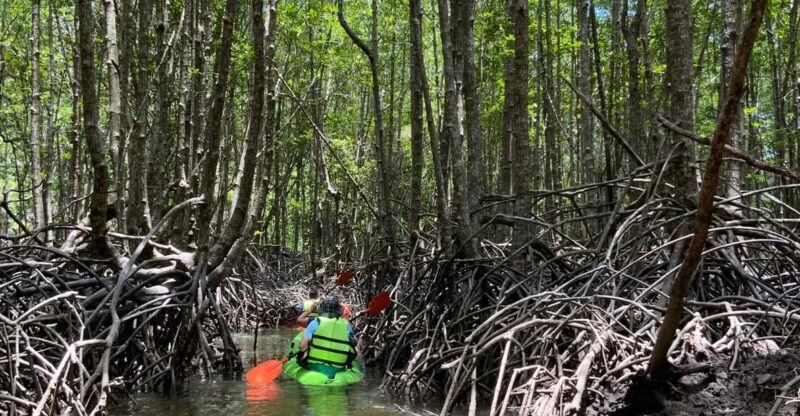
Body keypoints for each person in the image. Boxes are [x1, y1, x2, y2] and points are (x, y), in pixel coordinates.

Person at [297, 296, 356, 378]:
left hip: (314, 367)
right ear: (339, 310)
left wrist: (310, 310)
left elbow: (302, 347)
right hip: (338, 369)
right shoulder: (347, 325)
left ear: (321, 308)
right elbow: (354, 344)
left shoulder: (315, 322)